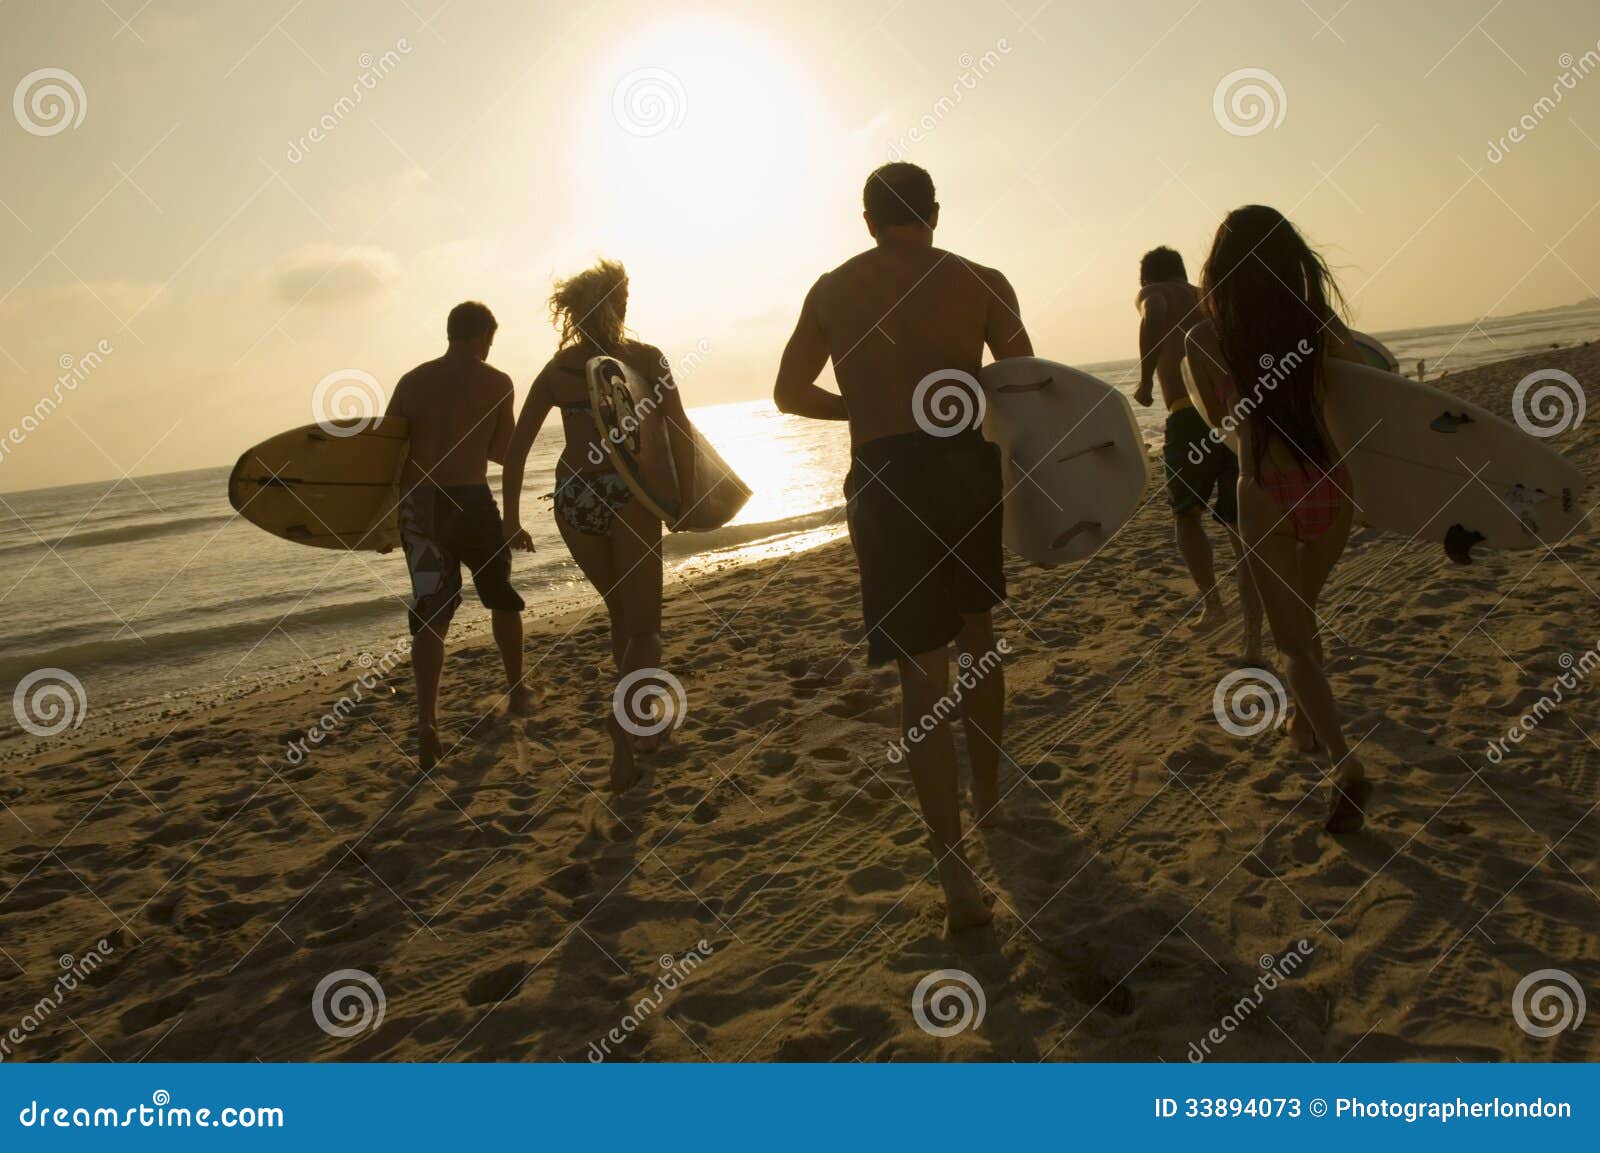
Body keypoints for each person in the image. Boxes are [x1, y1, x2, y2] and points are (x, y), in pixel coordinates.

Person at [773, 162, 1032, 929]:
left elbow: (788, 392)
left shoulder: (831, 287)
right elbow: (1022, 385)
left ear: (866, 220)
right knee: (979, 636)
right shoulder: (981, 280)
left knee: (923, 675)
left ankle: (956, 879)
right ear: (935, 213)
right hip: (961, 468)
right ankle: (988, 798)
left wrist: (862, 402)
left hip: (885, 476)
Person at [1184, 206, 1372, 834]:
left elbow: (1220, 426)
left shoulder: (1205, 338)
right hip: (1330, 484)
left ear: (1220, 267)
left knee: (1292, 642)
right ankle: (1303, 722)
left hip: (1265, 487)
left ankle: (1346, 766)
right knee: (1304, 618)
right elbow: (1374, 384)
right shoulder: (1318, 322)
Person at [501, 260, 693, 792]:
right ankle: (625, 718)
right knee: (646, 628)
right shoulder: (645, 358)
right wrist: (683, 501)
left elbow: (517, 451)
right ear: (620, 305)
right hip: (627, 492)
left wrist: (511, 518)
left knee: (620, 616)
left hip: (573, 497)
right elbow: (678, 433)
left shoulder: (558, 369)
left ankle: (643, 728)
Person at [386, 301, 529, 770]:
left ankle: (427, 722)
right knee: (500, 596)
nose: (490, 348)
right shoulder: (496, 382)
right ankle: (516, 688)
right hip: (470, 500)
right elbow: (503, 452)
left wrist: (386, 523)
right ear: (481, 336)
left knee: (430, 613)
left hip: (421, 508)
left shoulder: (411, 381)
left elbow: (388, 452)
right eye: (490, 339)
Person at [1134, 245, 1262, 659]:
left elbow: (1153, 312)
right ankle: (1253, 623)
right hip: (1231, 413)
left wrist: (1145, 378)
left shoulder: (1157, 293)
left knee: (1186, 512)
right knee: (1238, 520)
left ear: (1147, 278)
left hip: (1189, 416)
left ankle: (1213, 605)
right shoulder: (1209, 293)